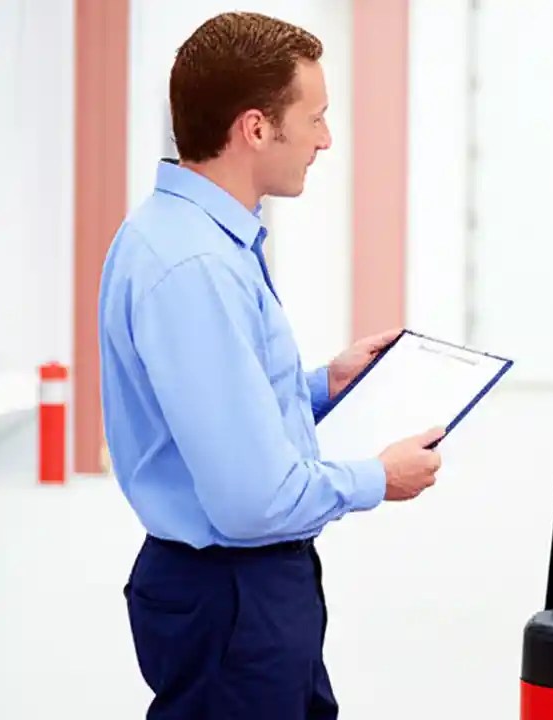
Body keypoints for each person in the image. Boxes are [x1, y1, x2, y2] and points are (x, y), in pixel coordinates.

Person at [97, 12, 442, 719]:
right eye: (313, 118)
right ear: (256, 129)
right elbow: (252, 500)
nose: (325, 138)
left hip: (236, 596)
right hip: (233, 598)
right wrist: (378, 477)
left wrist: (320, 387)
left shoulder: (183, 237)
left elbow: (202, 422)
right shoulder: (195, 266)